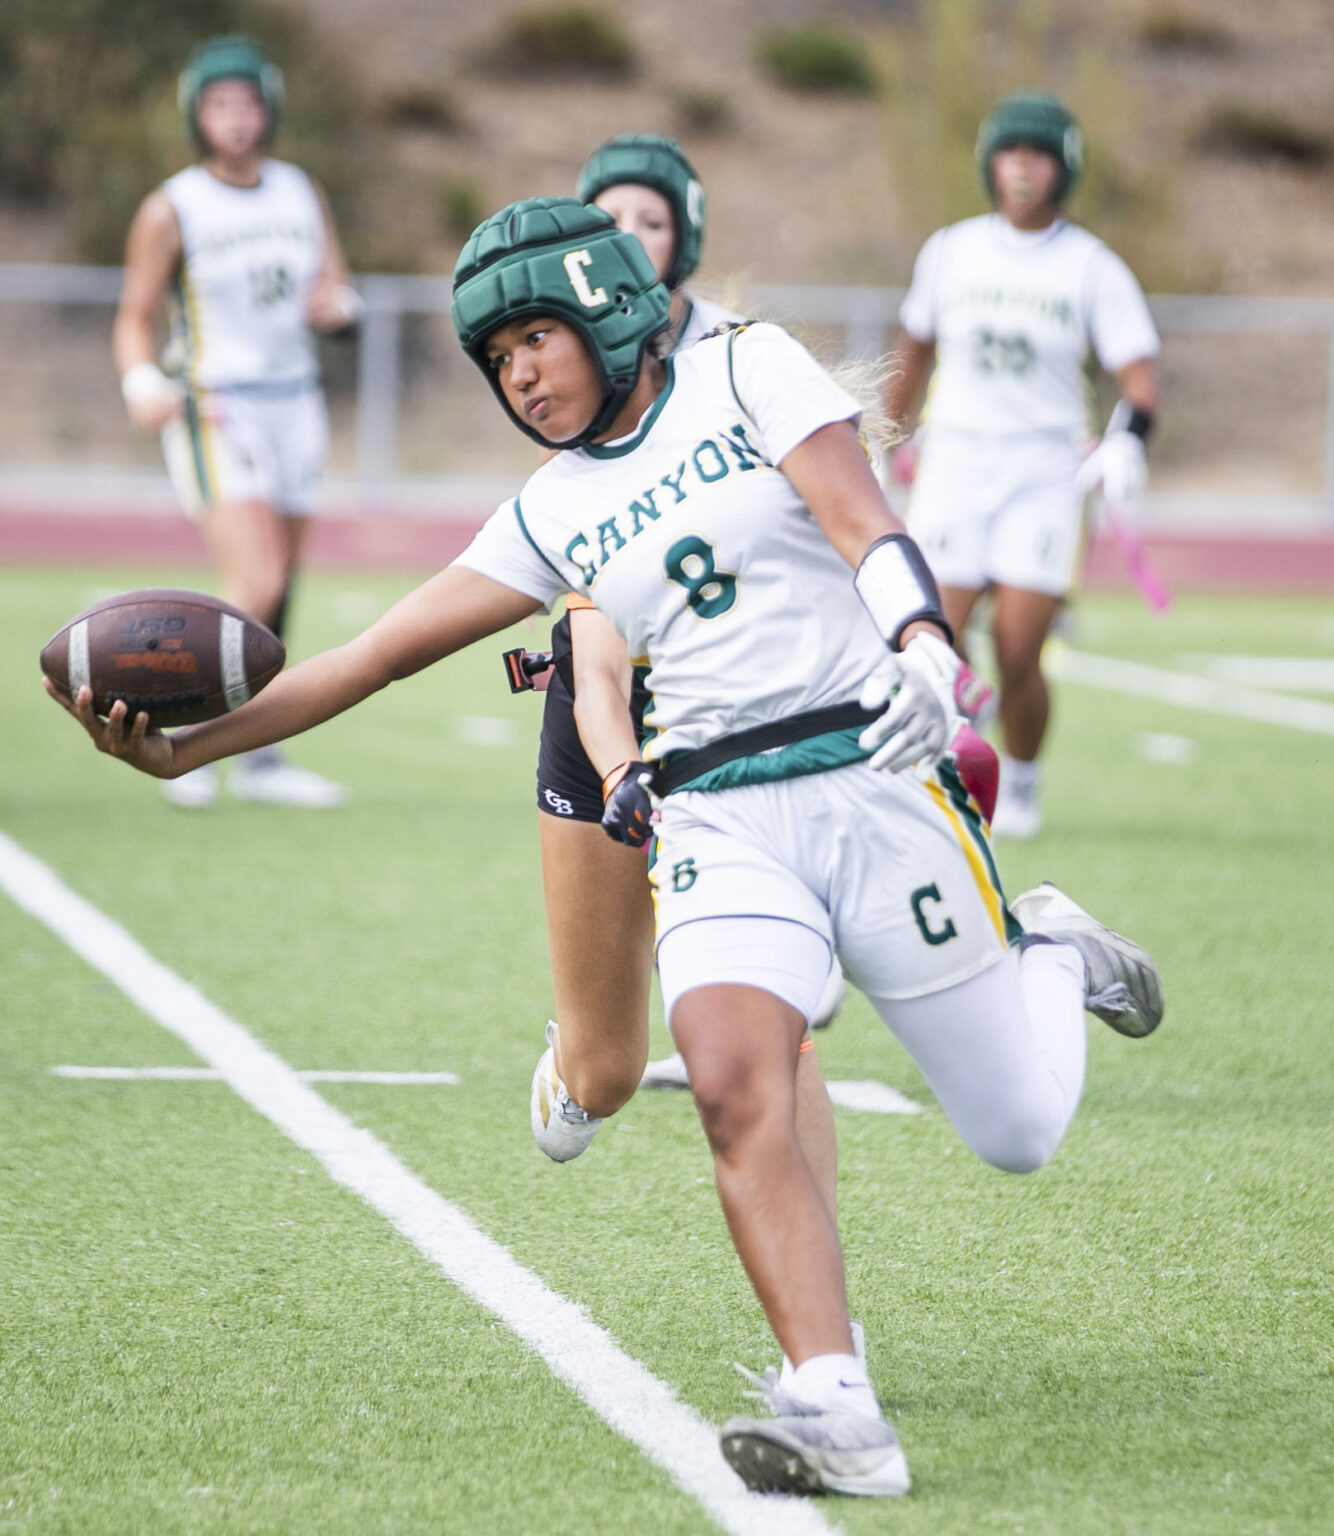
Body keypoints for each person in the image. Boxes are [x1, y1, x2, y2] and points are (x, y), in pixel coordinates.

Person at [51, 197, 1165, 1498]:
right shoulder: (546, 510)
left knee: (1017, 1129)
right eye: (494, 358)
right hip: (715, 816)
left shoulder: (746, 365)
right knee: (736, 1074)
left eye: (532, 336)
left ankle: (1052, 956)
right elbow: (367, 657)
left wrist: (924, 639)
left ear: (604, 309)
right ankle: (833, 1399)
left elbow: (865, 518)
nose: (516, 373)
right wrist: (187, 751)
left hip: (869, 780)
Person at [520, 133, 842, 1168]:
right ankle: (575, 1060)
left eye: (649, 221)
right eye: (607, 221)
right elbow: (590, 617)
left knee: (775, 1023)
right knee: (604, 1073)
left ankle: (822, 1336)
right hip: (610, 697)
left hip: (742, 705)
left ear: (684, 236)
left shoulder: (745, 355)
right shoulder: (568, 371)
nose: (628, 240)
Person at [886, 91, 1160, 838]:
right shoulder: (951, 249)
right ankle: (939, 769)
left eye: (1037, 155)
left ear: (1061, 167)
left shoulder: (1091, 266)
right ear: (990, 162)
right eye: (1010, 153)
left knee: (1019, 645)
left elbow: (1139, 375)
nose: (1022, 169)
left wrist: (1128, 438)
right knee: (935, 634)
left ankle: (1026, 777)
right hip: (954, 466)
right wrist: (882, 438)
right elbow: (912, 351)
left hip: (1042, 475)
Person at [113, 34, 357, 810]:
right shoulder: (173, 204)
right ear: (198, 114)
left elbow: (336, 288)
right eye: (221, 104)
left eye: (248, 103)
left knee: (279, 590)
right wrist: (140, 377)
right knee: (256, 578)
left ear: (269, 109)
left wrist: (337, 309)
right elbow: (133, 315)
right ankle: (179, 741)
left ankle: (260, 756)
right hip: (217, 403)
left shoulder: (299, 189)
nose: (237, 118)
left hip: (296, 401)